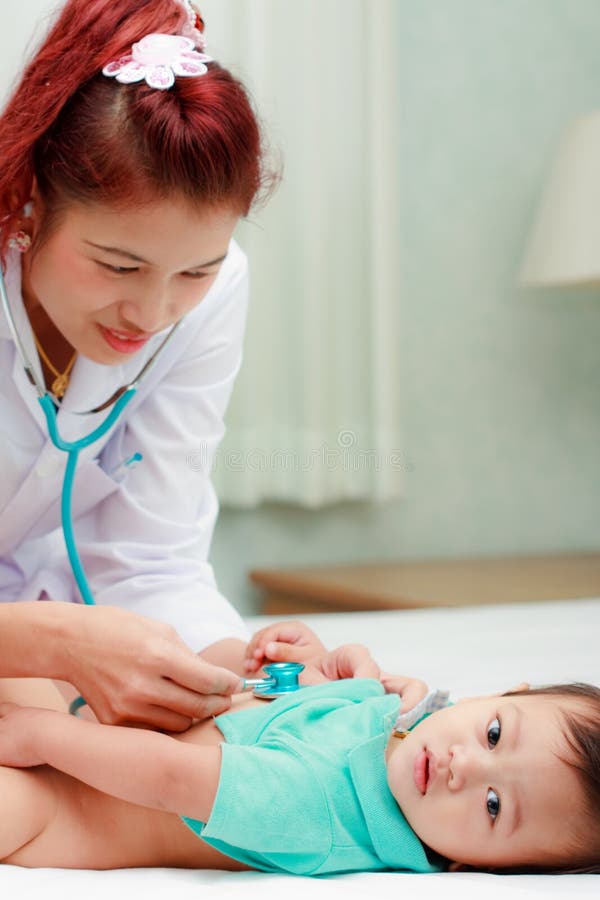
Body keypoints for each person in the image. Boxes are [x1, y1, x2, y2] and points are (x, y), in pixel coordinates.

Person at [0, 0, 287, 730]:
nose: (153, 315)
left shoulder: (217, 294)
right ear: (31, 202)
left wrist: (250, 668)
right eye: (119, 265)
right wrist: (59, 644)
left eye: (194, 273)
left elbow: (151, 559)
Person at [0, 646, 598, 875]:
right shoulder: (398, 727)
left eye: (493, 807)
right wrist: (295, 658)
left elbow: (171, 774)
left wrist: (43, 739)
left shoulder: (325, 817)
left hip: (57, 806)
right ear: (500, 695)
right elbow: (260, 700)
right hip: (82, 721)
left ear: (480, 869)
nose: (463, 768)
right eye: (494, 733)